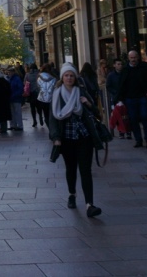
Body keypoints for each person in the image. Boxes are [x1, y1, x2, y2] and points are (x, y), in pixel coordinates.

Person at [50, 63, 102, 218]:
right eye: (66, 75)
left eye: (72, 75)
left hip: (84, 136)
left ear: (75, 77)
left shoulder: (82, 91)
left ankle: (89, 205)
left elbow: (97, 113)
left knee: (86, 170)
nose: (69, 78)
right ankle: (72, 194)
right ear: (62, 77)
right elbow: (52, 118)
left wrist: (87, 103)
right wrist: (56, 138)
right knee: (71, 168)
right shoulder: (57, 94)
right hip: (66, 138)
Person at [115, 50, 147, 148]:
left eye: (135, 57)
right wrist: (121, 98)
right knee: (133, 119)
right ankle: (138, 139)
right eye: (131, 58)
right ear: (128, 58)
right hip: (130, 98)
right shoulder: (125, 69)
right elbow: (121, 84)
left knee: (145, 117)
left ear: (138, 57)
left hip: (143, 97)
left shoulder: (145, 67)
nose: (133, 60)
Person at [35, 63, 57, 128]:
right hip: (51, 98)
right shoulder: (54, 78)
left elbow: (38, 87)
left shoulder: (39, 77)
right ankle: (51, 127)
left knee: (44, 113)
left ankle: (45, 121)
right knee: (50, 114)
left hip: (41, 98)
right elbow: (55, 88)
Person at [0, 69, 12, 136]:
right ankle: (4, 128)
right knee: (5, 116)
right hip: (6, 101)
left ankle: (2, 128)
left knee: (1, 116)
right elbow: (9, 91)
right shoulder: (6, 82)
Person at [9, 66, 26, 131]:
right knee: (12, 112)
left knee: (17, 112)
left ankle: (19, 125)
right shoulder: (10, 79)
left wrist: (14, 95)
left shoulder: (16, 79)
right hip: (12, 98)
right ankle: (13, 125)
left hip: (16, 98)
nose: (9, 73)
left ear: (13, 72)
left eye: (10, 72)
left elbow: (20, 89)